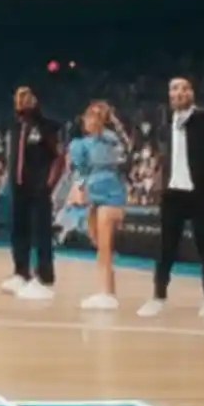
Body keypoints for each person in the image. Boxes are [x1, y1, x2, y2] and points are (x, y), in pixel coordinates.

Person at [139, 77, 204, 319]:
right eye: (174, 89)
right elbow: (162, 156)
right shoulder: (165, 124)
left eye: (184, 88)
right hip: (172, 193)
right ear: (169, 94)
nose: (179, 93)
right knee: (166, 247)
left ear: (192, 93)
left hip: (201, 192)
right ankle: (158, 296)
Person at [2, 86, 65, 301]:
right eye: (19, 97)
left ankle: (45, 277)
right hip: (17, 187)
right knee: (18, 231)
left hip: (39, 188)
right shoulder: (14, 127)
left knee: (41, 232)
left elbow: (58, 157)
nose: (22, 100)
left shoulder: (48, 127)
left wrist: (48, 184)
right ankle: (21, 272)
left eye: (27, 96)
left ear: (36, 99)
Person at [66, 101, 131, 310]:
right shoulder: (94, 142)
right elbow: (81, 170)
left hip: (109, 193)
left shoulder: (106, 141)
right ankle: (108, 291)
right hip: (98, 194)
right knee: (99, 242)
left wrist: (77, 189)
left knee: (104, 246)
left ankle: (105, 293)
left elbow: (81, 170)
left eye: (92, 117)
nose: (87, 121)